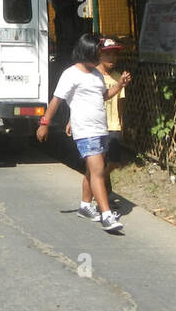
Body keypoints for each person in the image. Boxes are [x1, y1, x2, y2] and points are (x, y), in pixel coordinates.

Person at [36, 33, 130, 232]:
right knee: (98, 173)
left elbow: (104, 96)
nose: (102, 56)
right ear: (87, 52)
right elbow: (56, 101)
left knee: (92, 170)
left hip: (100, 128)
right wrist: (44, 123)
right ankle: (106, 216)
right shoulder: (70, 74)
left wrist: (120, 85)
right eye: (98, 53)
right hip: (86, 131)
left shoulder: (95, 74)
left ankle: (85, 206)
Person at [97, 37, 131, 199]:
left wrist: (122, 123)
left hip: (114, 125)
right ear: (99, 55)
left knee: (115, 162)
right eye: (107, 54)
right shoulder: (93, 76)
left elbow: (120, 103)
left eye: (114, 55)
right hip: (97, 126)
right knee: (101, 162)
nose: (112, 58)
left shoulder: (118, 77)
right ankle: (106, 194)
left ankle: (98, 183)